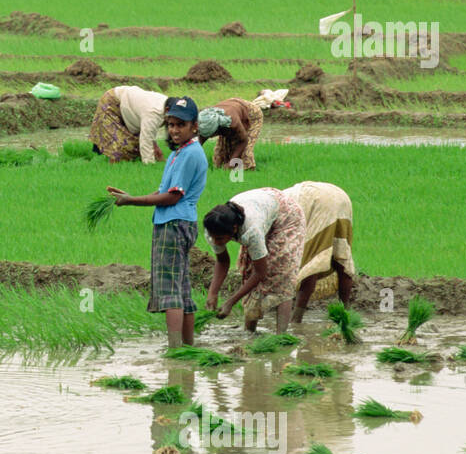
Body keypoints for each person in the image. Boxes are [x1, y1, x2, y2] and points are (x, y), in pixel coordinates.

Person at [107, 96, 208, 347]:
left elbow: (172, 196)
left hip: (174, 224)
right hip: (177, 222)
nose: (174, 130)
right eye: (170, 124)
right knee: (182, 287)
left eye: (180, 125)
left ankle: (174, 349)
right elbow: (163, 191)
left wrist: (131, 201)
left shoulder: (189, 154)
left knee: (170, 290)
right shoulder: (180, 152)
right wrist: (129, 196)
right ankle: (187, 347)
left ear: (194, 126)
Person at [203, 186, 306, 333]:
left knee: (281, 274)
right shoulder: (212, 229)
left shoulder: (251, 231)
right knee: (248, 270)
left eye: (219, 239)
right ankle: (249, 332)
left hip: (286, 216)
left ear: (234, 229)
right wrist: (212, 293)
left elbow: (260, 273)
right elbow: (222, 261)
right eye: (213, 238)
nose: (216, 242)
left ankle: (281, 335)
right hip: (262, 205)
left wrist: (231, 302)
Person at [286, 181, 356, 323]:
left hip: (318, 201)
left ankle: (296, 319)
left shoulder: (275, 209)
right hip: (341, 196)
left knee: (313, 259)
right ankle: (346, 312)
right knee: (341, 255)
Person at [89, 85, 169, 163]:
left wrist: (154, 147)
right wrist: (150, 164)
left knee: (136, 147)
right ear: (167, 110)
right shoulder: (154, 113)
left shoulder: (168, 103)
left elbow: (149, 131)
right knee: (121, 147)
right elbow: (146, 140)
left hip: (129, 109)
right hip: (112, 101)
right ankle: (112, 170)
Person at [196, 96, 267, 170]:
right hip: (231, 106)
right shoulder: (206, 122)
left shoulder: (233, 123)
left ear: (217, 129)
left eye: (212, 134)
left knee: (245, 153)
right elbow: (198, 143)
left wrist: (232, 162)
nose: (210, 137)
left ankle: (248, 171)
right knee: (219, 157)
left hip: (251, 114)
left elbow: (244, 140)